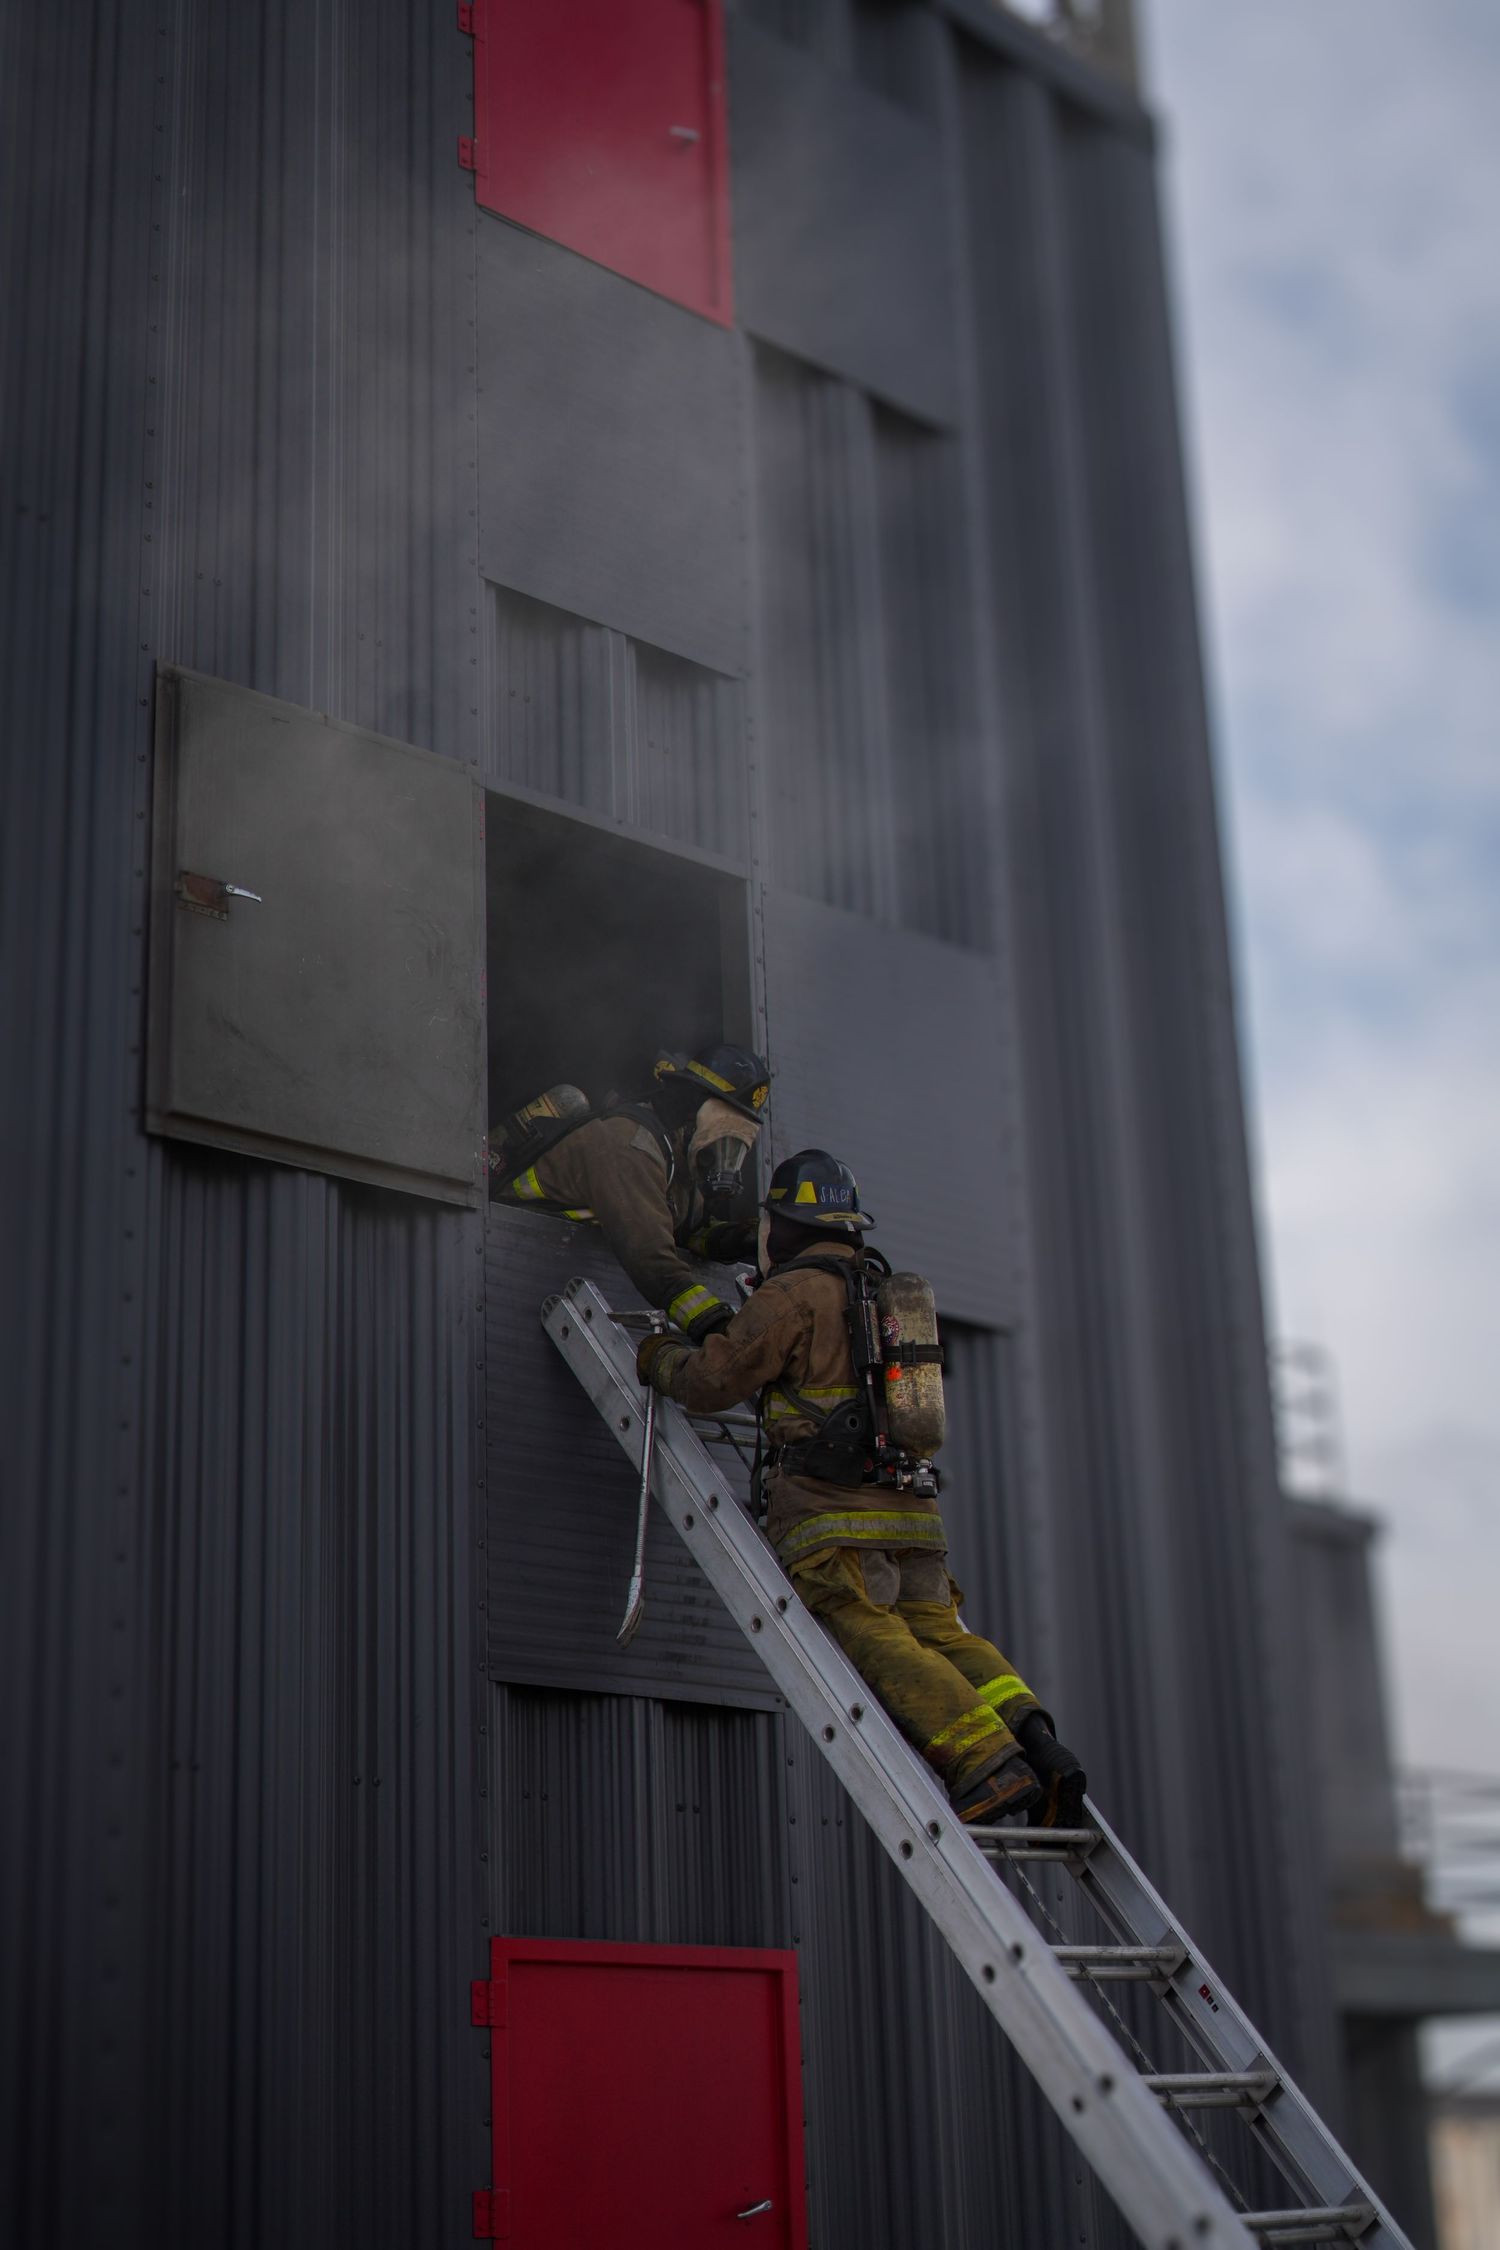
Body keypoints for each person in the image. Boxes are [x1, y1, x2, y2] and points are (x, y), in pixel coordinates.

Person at [635, 1147, 1086, 1827]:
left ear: (787, 1225)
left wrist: (659, 1356)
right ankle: (1041, 1749)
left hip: (832, 1515)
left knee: (870, 1631)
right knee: (942, 1633)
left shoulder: (793, 1294)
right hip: (914, 1512)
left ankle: (984, 1763)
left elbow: (711, 1383)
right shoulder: (882, 1290)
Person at [490, 1044, 771, 1341]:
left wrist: (741, 1239)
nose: (725, 1156)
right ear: (692, 1113)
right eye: (723, 1136)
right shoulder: (629, 1146)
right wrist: (724, 1331)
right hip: (518, 1269)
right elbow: (653, 1262)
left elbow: (687, 1230)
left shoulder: (674, 1152)